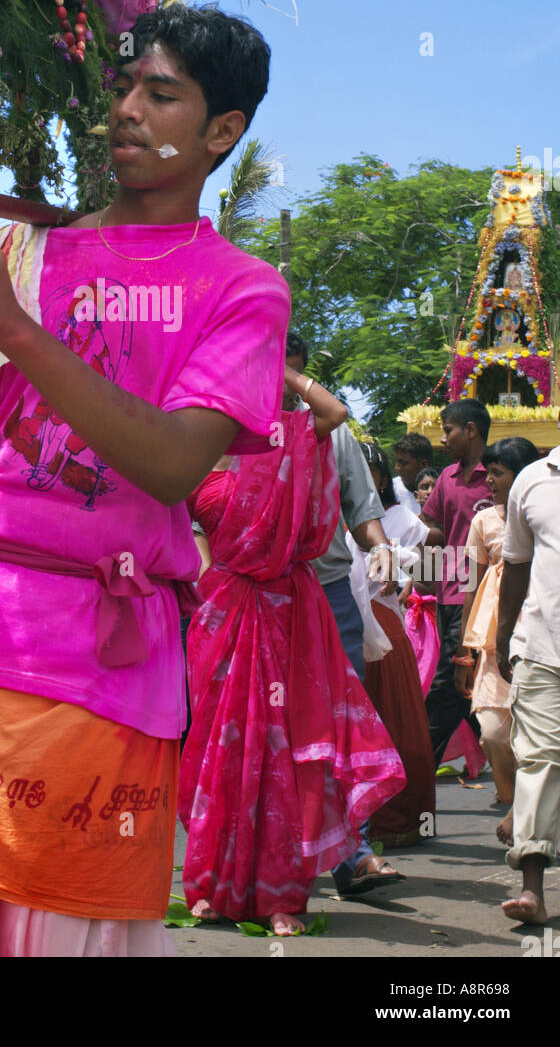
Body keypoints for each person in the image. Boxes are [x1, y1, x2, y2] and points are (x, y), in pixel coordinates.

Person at [0, 3, 291, 958]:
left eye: (162, 95)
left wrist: (16, 330)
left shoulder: (241, 287)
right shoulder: (29, 250)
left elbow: (169, 462)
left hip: (96, 669)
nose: (128, 111)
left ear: (222, 132)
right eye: (121, 88)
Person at [180, 370, 405, 933]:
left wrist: (280, 366)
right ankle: (211, 884)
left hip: (291, 608)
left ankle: (282, 893)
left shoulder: (286, 437)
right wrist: (212, 585)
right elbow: (188, 527)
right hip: (224, 611)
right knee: (223, 749)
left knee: (286, 751)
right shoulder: (190, 446)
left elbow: (334, 415)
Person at [285, 336, 403, 893]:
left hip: (328, 591)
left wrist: (379, 546)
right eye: (276, 367)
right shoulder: (221, 427)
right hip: (254, 599)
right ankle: (270, 858)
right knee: (266, 727)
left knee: (340, 725)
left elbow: (363, 509)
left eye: (297, 372)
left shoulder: (330, 434)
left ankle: (351, 853)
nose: (288, 382)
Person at [346, 443, 435, 847]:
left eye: (368, 469)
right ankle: (349, 822)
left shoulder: (402, 518)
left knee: (393, 724)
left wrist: (403, 574)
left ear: (381, 477)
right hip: (340, 624)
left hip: (384, 627)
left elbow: (426, 569)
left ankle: (398, 820)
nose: (358, 476)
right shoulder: (330, 517)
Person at [455, 437, 539, 848]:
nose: (488, 481)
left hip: (538, 632)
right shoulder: (484, 521)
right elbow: (470, 582)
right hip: (493, 638)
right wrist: (463, 647)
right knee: (492, 732)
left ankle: (528, 815)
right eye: (488, 472)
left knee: (536, 733)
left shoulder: (545, 513)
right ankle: (512, 799)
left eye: (497, 473)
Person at [496, 438, 560, 925]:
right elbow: (516, 567)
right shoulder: (534, 479)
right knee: (538, 761)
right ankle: (532, 890)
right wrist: (502, 635)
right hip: (542, 647)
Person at [420, 399, 492, 767]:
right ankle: (502, 765)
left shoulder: (496, 476)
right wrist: (418, 580)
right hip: (449, 594)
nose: (443, 437)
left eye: (448, 430)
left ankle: (417, 765)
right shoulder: (446, 478)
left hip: (486, 595)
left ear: (471, 430)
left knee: (448, 683)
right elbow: (434, 531)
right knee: (465, 683)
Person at [392, 433, 433, 515]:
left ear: (423, 464)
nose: (397, 467)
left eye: (403, 463)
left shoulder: (441, 493)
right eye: (397, 462)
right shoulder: (390, 490)